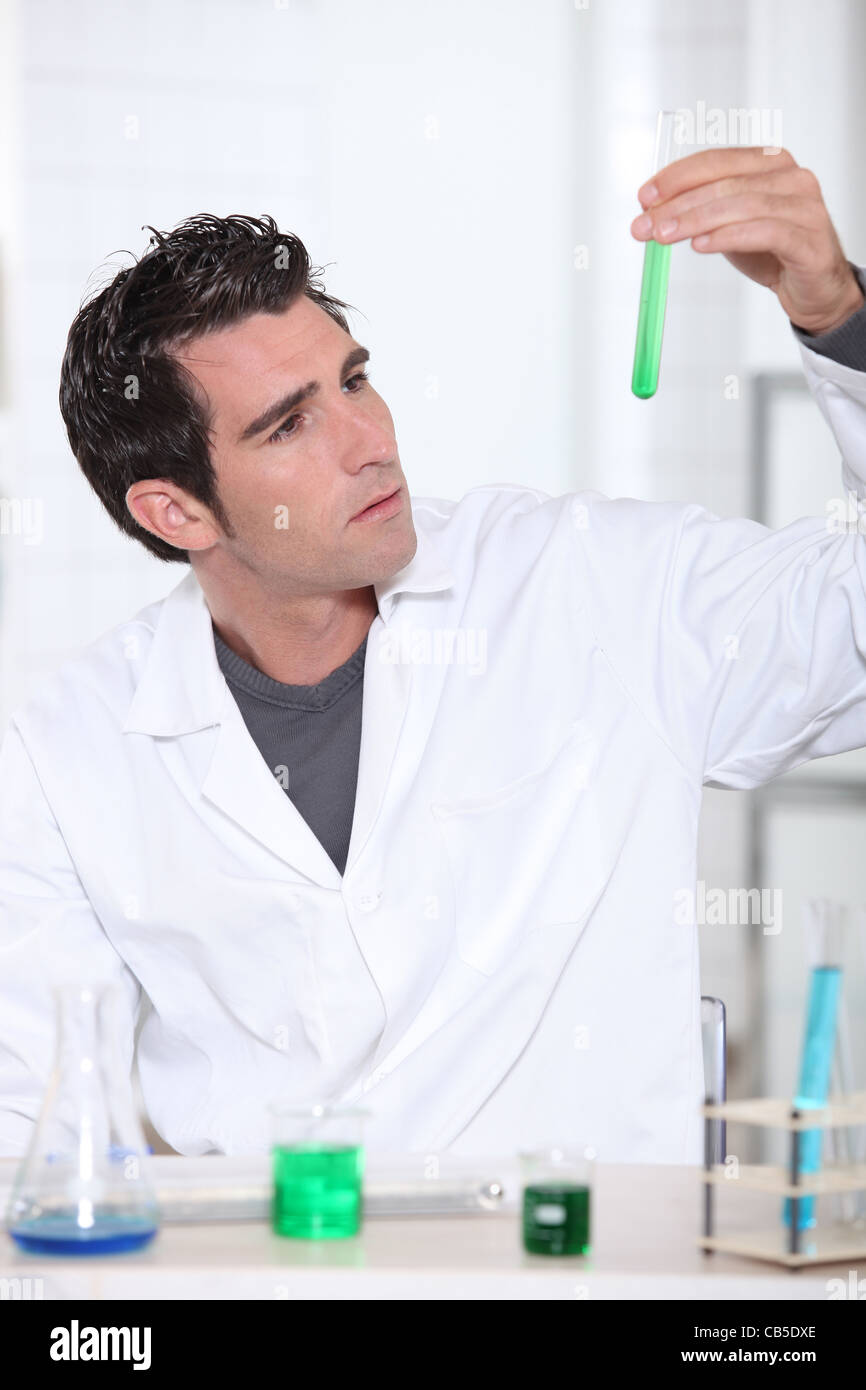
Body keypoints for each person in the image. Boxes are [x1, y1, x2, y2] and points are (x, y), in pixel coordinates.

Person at [2, 147, 866, 1163]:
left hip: (600, 1265)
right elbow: (40, 1131)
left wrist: (836, 317)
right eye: (291, 425)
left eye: (354, 379)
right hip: (286, 1275)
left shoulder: (586, 585)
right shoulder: (64, 745)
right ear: (176, 508)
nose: (370, 440)